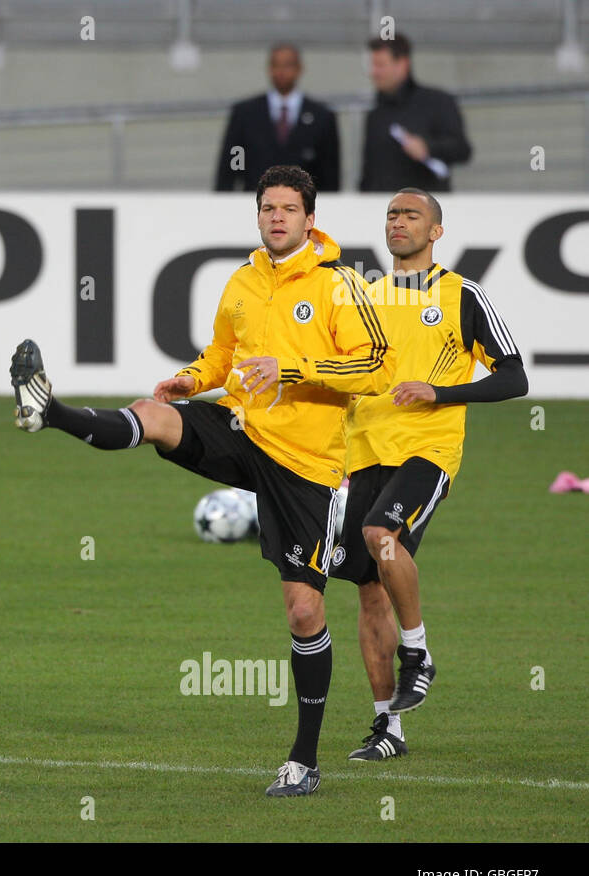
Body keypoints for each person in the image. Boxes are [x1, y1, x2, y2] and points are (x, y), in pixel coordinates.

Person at [11, 164, 393, 797]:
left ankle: (305, 759)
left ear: (309, 218)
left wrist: (293, 371)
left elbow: (375, 367)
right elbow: (223, 356)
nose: (276, 218)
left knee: (303, 610)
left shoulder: (339, 285)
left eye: (287, 209)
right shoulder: (242, 281)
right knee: (157, 416)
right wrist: (192, 378)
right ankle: (49, 410)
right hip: (240, 428)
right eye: (267, 207)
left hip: (307, 464)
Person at [337, 188, 526, 761]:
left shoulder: (462, 294)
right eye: (392, 214)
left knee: (381, 535)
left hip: (427, 450)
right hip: (363, 451)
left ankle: (417, 654)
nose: (398, 222)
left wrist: (439, 391)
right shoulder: (364, 297)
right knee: (369, 594)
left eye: (411, 214)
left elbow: (513, 378)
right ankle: (388, 729)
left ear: (436, 232)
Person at [215, 43, 341, 192]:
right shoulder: (245, 113)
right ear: (269, 69)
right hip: (255, 203)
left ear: (299, 69)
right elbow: (232, 164)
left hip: (301, 206)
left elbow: (330, 173)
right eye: (276, 65)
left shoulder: (322, 116)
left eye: (287, 65)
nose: (281, 71)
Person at [359, 35, 472, 192]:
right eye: (373, 65)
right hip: (384, 209)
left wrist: (428, 147)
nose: (374, 72)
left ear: (402, 64)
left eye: (380, 65)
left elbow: (462, 149)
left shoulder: (437, 102)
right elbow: (368, 173)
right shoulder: (375, 115)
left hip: (425, 207)